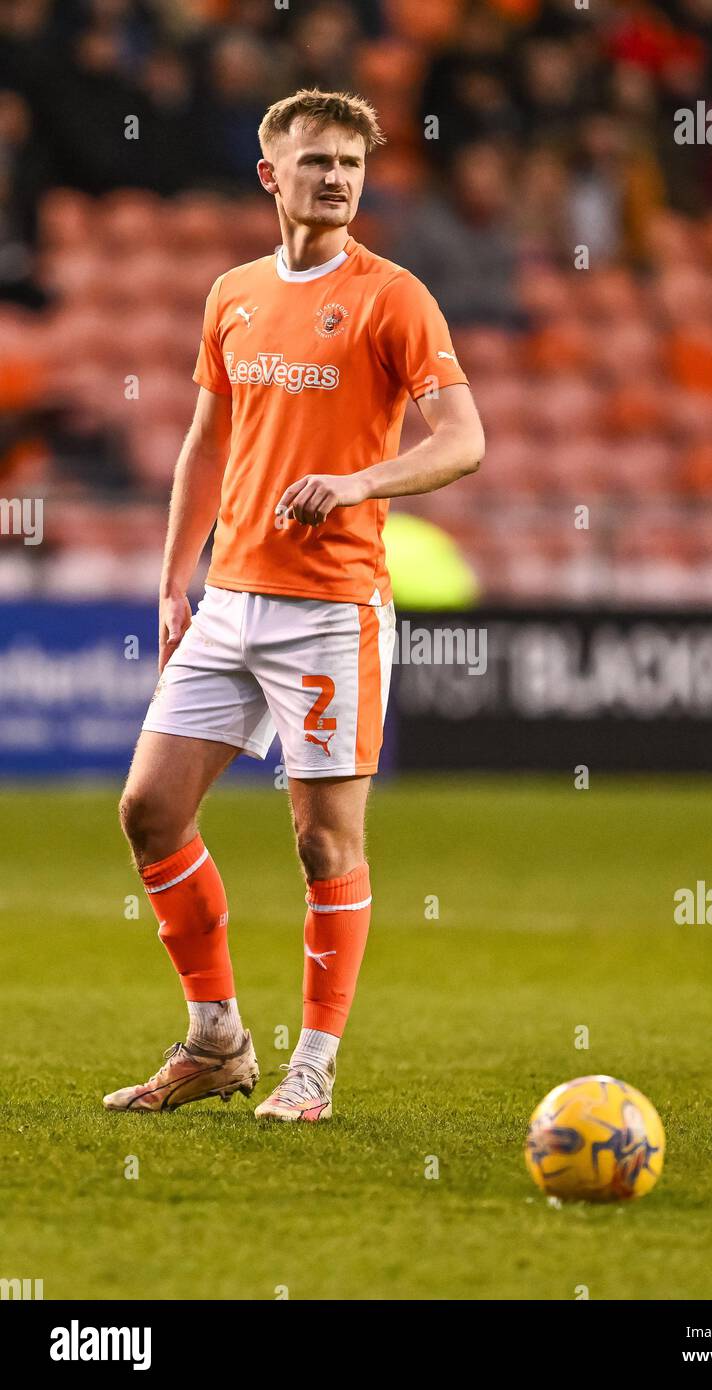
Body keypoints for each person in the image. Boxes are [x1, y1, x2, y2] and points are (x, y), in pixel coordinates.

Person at [103, 88, 485, 1122]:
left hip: (330, 607)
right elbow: (205, 444)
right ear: (270, 175)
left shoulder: (393, 297)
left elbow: (464, 438)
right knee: (149, 809)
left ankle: (311, 1067)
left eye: (351, 164)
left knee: (324, 842)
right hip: (229, 598)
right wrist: (175, 576)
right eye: (316, 159)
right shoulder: (232, 293)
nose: (337, 177)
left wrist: (362, 482)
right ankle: (217, 1039)